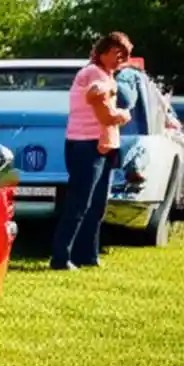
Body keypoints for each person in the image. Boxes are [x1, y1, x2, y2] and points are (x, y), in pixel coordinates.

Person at [50, 31, 134, 270]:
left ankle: (87, 254)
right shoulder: (92, 73)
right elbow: (100, 102)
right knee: (79, 203)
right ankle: (60, 257)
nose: (121, 59)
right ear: (102, 52)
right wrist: (124, 114)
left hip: (103, 145)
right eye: (117, 53)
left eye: (125, 55)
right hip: (86, 145)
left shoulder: (107, 75)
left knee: (96, 205)